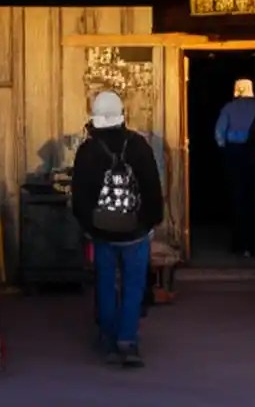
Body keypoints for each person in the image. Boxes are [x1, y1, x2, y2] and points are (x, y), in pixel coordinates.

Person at [71, 91, 164, 368]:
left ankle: (109, 338)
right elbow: (151, 189)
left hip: (101, 232)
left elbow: (79, 196)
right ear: (122, 115)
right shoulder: (138, 146)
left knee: (106, 284)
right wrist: (150, 222)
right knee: (134, 285)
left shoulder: (88, 150)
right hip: (135, 231)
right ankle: (128, 339)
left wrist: (89, 226)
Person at [214, 78, 255, 256]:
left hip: (234, 154)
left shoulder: (229, 108)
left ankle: (239, 245)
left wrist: (226, 148)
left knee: (238, 199)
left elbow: (219, 133)